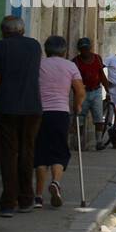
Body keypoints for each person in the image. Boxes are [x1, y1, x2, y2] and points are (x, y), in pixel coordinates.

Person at [0, 15, 44, 217]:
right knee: (27, 151)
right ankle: (26, 198)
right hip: (32, 107)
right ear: (22, 30)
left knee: (9, 154)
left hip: (6, 106)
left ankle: (9, 202)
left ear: (3, 31)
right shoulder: (35, 46)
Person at [34, 35, 85, 208]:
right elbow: (80, 90)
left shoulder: (39, 64)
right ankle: (56, 182)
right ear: (64, 50)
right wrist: (78, 106)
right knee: (59, 151)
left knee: (40, 153)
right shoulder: (71, 66)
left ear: (46, 49)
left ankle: (38, 197)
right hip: (60, 113)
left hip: (40, 113)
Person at [73, 38, 111, 149]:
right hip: (83, 92)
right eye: (82, 49)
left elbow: (102, 76)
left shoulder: (97, 59)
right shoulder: (75, 61)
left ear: (90, 48)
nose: (85, 51)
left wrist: (108, 91)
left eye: (86, 49)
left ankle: (99, 141)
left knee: (99, 117)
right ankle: (79, 143)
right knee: (80, 118)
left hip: (96, 91)